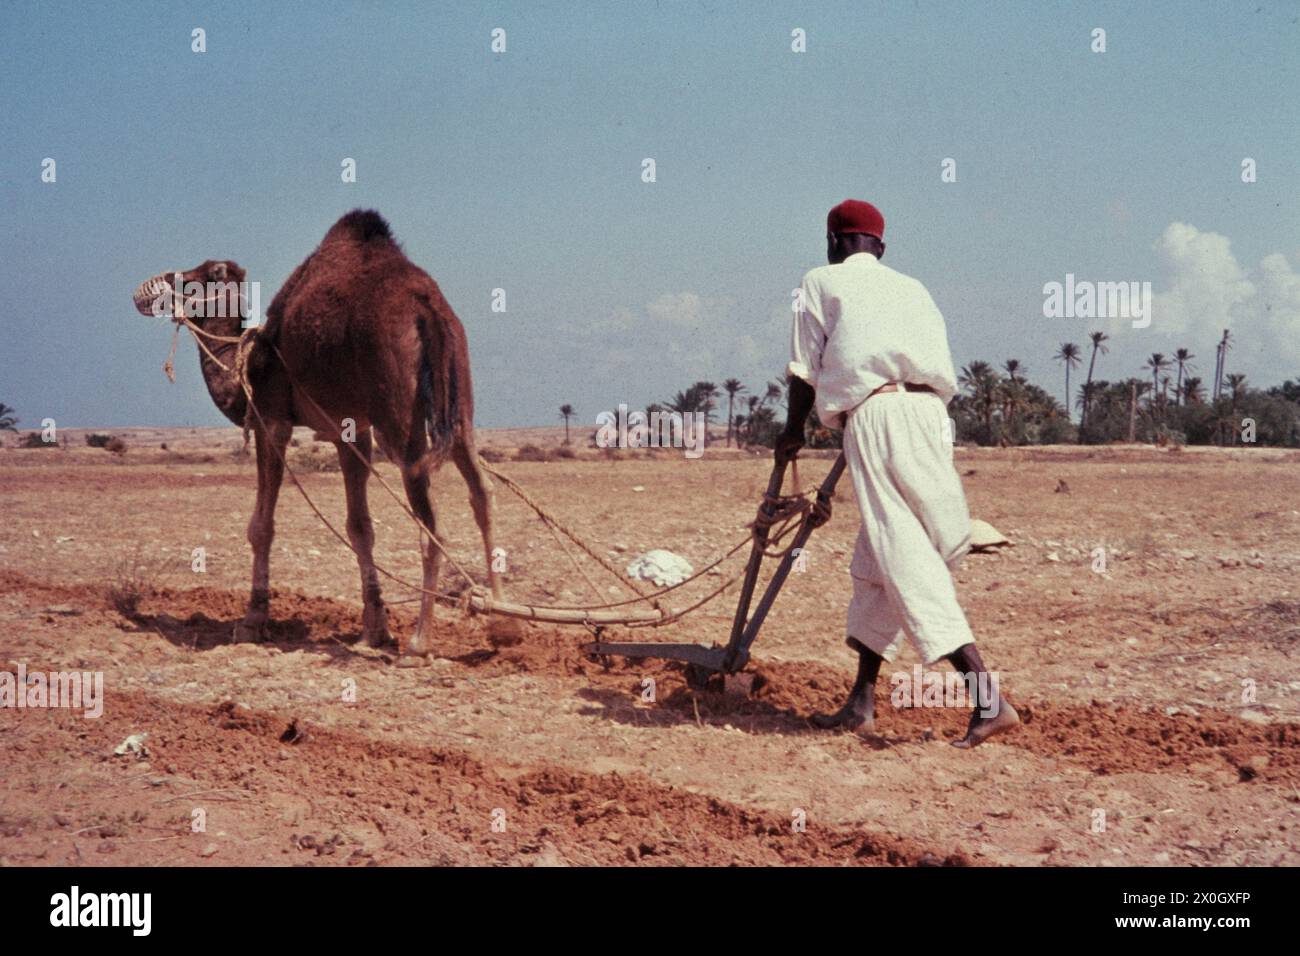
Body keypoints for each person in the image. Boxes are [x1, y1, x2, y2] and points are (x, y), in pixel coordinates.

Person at [776, 199, 1019, 748]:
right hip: (931, 417)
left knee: (904, 555)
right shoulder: (914, 288)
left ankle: (987, 698)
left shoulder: (819, 281)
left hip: (876, 415)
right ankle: (860, 704)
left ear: (834, 242)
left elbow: (802, 370)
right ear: (880, 247)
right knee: (879, 560)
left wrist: (792, 435)